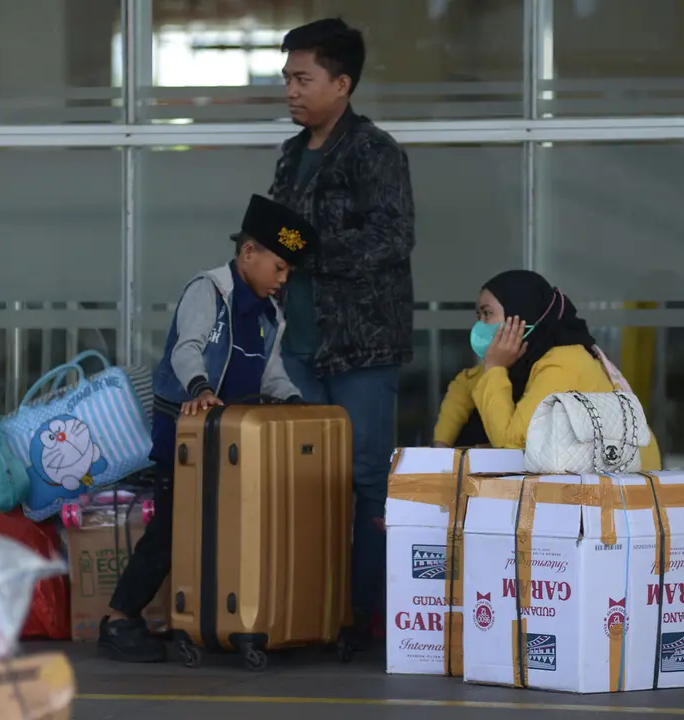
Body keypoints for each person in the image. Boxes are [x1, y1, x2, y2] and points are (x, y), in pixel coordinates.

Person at [98, 194, 315, 662]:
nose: (283, 279)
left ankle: (200, 619)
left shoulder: (269, 315)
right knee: (173, 532)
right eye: (278, 267)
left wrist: (294, 404)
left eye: (289, 272)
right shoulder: (210, 291)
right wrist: (200, 387)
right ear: (248, 252)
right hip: (187, 438)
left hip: (231, 444)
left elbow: (271, 375)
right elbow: (187, 349)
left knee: (219, 533)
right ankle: (117, 620)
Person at [269, 17, 415, 636]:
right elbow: (283, 232)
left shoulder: (374, 151)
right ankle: (312, 609)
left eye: (303, 79)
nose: (291, 91)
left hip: (361, 346)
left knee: (366, 479)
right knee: (306, 481)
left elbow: (393, 238)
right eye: (287, 78)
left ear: (342, 83)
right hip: (296, 345)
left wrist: (308, 251)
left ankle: (364, 615)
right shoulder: (291, 154)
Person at [432, 270, 662, 470]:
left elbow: (512, 445)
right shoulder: (526, 359)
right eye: (478, 316)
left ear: (519, 315)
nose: (479, 325)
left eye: (487, 314)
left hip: (628, 484)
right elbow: (464, 386)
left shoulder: (564, 362)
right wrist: (440, 449)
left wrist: (495, 367)